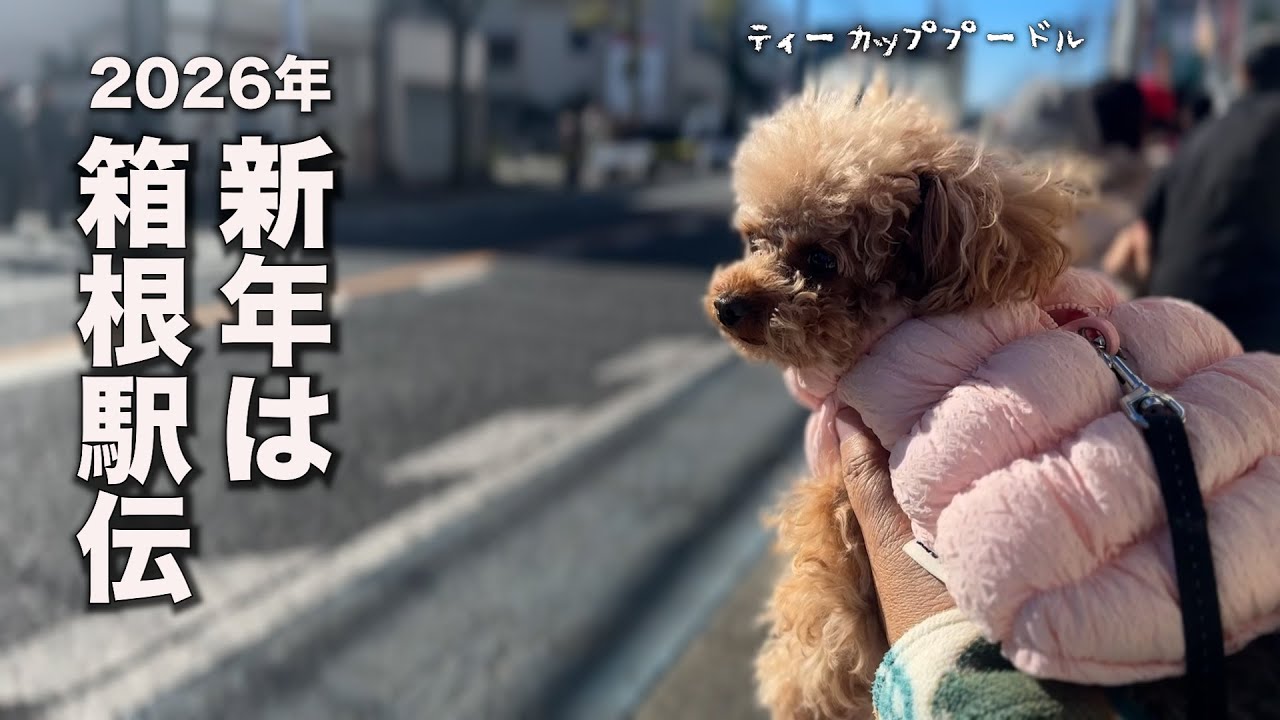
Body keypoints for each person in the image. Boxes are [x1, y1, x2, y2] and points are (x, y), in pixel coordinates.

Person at [1105, 27, 1280, 353]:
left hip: (1165, 324)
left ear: (1244, 76)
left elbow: (1143, 229)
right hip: (1254, 340)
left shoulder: (1202, 133)